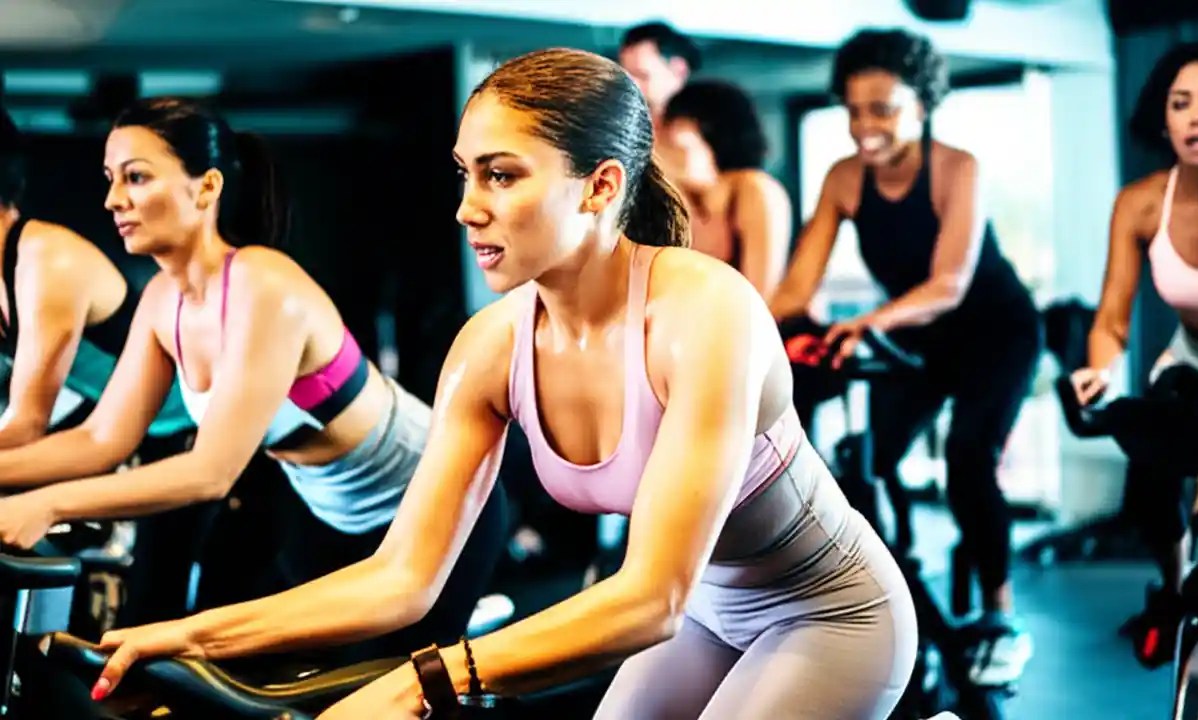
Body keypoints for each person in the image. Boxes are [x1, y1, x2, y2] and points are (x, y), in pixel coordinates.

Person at [92, 48, 918, 720]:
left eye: (501, 175)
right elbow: (402, 577)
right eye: (465, 174)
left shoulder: (706, 314)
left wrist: (424, 681)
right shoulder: (489, 347)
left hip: (830, 612)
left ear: (600, 186)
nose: (466, 207)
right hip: (705, 613)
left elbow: (649, 596)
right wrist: (187, 638)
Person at [0, 97, 508, 669]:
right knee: (250, 680)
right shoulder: (163, 301)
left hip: (440, 503)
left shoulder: (263, 286)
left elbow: (209, 472)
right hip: (328, 512)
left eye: (136, 177)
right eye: (110, 179)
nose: (113, 199)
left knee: (394, 690)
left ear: (206, 187)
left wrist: (47, 504)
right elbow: (101, 440)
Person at [768, 28, 1042, 685]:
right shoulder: (844, 178)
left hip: (996, 331)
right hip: (921, 338)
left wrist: (869, 321)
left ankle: (1001, 617)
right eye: (854, 110)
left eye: (883, 109)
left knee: (968, 457)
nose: (865, 126)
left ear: (922, 105)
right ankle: (890, 586)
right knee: (868, 459)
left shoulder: (956, 168)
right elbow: (796, 290)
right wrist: (743, 328)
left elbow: (949, 284)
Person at [1070, 39, 1198, 670]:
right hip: (1191, 365)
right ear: (1163, 120)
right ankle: (1174, 588)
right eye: (1181, 103)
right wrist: (1098, 370)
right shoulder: (1139, 203)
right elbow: (1112, 318)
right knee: (1151, 486)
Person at [0, 106, 199, 630]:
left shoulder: (47, 258)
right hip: (117, 435)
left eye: (134, 177)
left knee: (152, 621)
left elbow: (25, 423)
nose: (116, 197)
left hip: (184, 439)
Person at [662, 79, 792, 296]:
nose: (667, 136)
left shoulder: (755, 189)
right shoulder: (680, 197)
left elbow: (760, 297)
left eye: (678, 125)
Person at [618, 21, 701, 130]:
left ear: (679, 69)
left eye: (642, 76)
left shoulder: (707, 128)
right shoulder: (620, 123)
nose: (631, 85)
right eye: (625, 76)